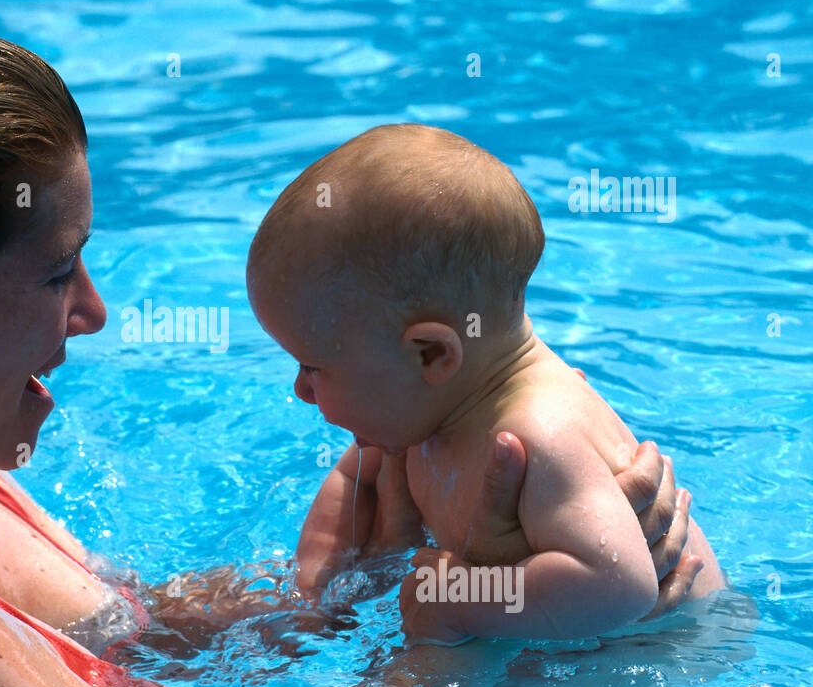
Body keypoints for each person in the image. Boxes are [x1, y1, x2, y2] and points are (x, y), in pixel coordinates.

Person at [0, 22, 703, 687]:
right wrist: (455, 628)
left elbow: (147, 633)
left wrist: (384, 571)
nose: (95, 312)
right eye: (58, 272)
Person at [246, 123, 723, 647]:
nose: (299, 390)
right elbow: (353, 483)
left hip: (676, 653)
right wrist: (314, 593)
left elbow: (621, 584)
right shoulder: (429, 408)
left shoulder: (537, 432)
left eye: (312, 367)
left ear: (431, 353)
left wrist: (458, 601)